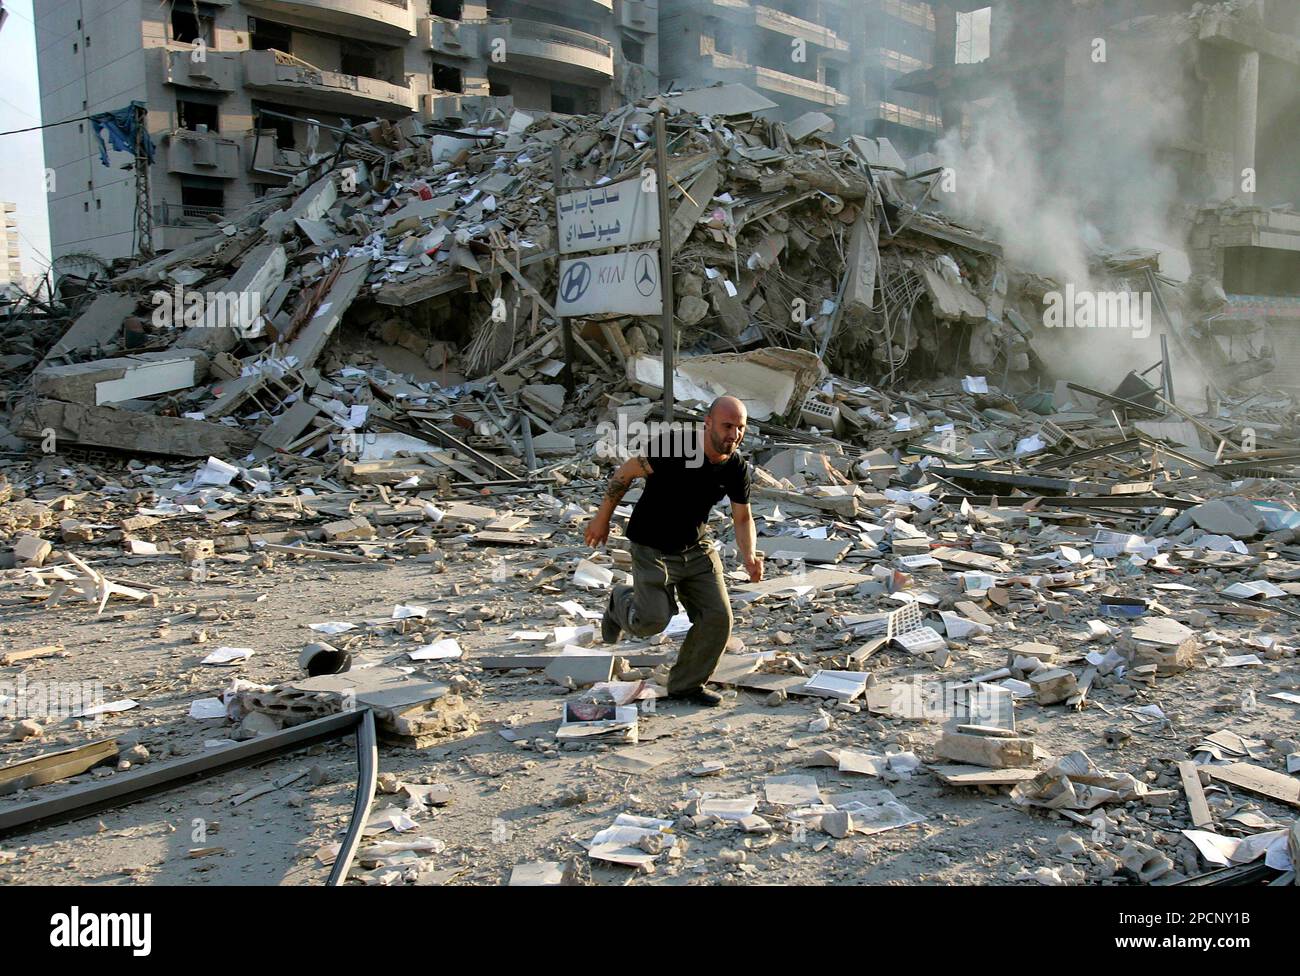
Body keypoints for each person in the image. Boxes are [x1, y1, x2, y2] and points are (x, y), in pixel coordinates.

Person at [584, 395, 763, 706]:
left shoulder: (735, 467)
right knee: (652, 621)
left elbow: (743, 516)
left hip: (695, 546)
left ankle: (686, 685)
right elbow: (625, 473)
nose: (734, 434)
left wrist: (749, 556)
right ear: (708, 424)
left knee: (718, 618)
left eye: (740, 428)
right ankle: (619, 601)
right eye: (727, 426)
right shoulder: (676, 446)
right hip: (651, 544)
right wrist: (602, 518)